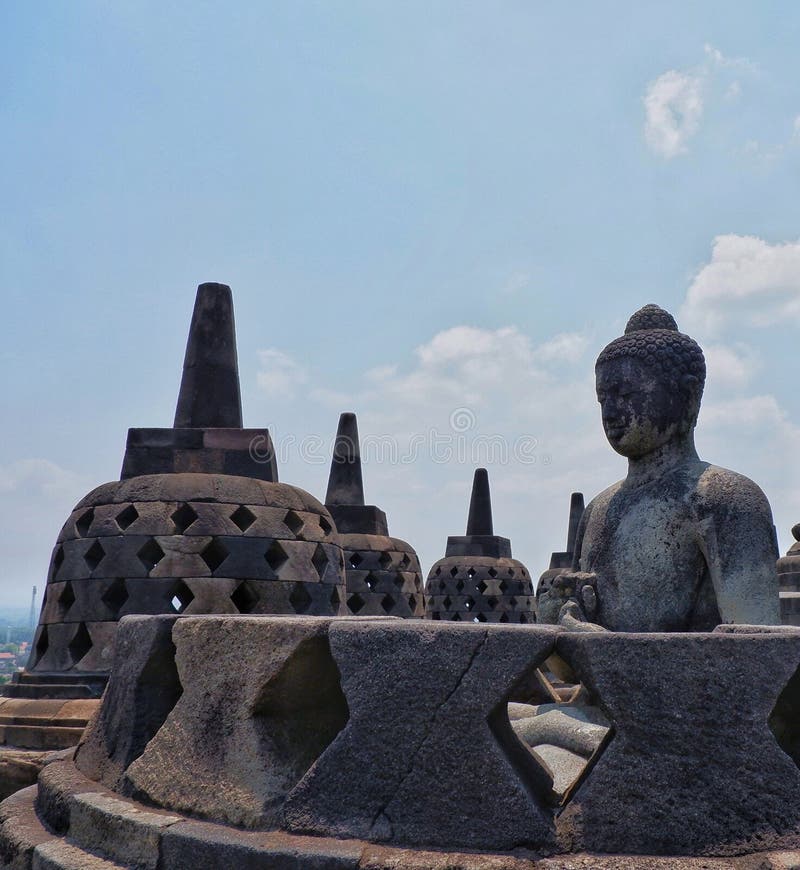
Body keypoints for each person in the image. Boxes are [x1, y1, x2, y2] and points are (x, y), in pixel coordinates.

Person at [537, 304, 781, 632]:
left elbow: (758, 655)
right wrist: (556, 621)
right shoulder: (596, 511)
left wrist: (592, 643)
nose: (610, 412)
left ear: (687, 396)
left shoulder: (724, 499)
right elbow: (568, 673)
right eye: (602, 399)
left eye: (625, 394)